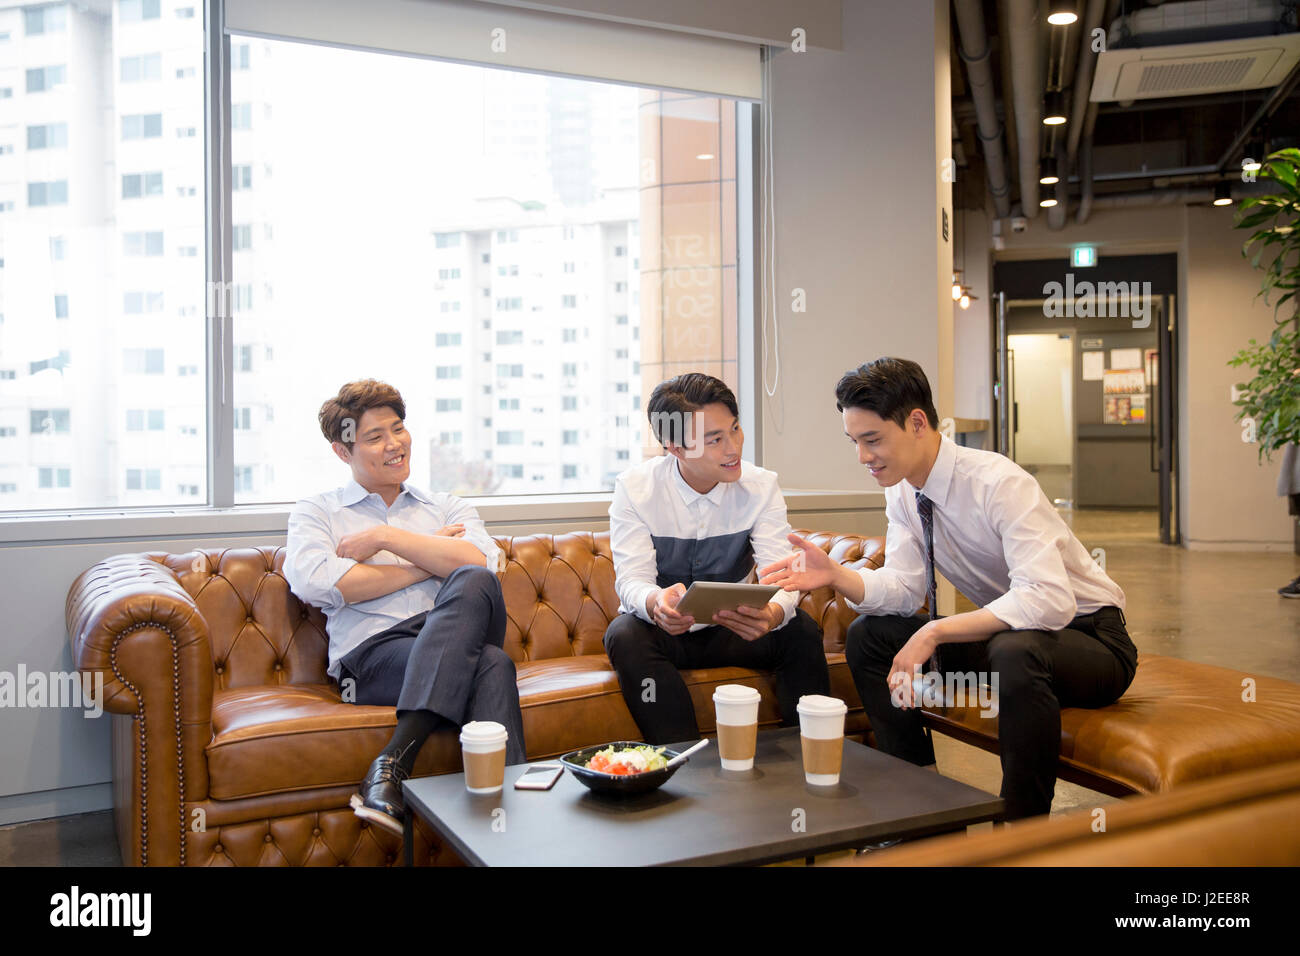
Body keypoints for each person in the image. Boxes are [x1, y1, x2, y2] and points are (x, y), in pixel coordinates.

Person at [760, 357, 1138, 821]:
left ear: (917, 422)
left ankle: (1024, 831)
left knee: (1015, 650)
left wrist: (934, 633)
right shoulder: (901, 491)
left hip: (1091, 643)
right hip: (1009, 639)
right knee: (870, 637)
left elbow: (1047, 599)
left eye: (872, 440)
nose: (862, 456)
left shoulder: (999, 483)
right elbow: (903, 587)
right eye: (854, 442)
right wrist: (838, 576)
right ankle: (921, 809)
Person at [284, 379, 524, 835]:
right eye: (375, 437)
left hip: (448, 630)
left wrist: (385, 538)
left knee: (472, 579)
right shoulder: (318, 512)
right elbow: (318, 583)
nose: (394, 444)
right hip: (373, 657)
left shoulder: (446, 506)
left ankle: (392, 763)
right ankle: (505, 828)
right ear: (342, 451)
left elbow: (481, 562)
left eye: (398, 429)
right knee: (492, 663)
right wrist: (429, 560)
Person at [603, 372, 830, 744]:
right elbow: (631, 579)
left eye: (736, 429)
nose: (733, 448)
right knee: (625, 634)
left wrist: (772, 614)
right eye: (715, 440)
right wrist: (656, 602)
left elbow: (781, 573)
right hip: (668, 633)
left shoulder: (761, 486)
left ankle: (810, 753)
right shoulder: (635, 489)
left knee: (799, 629)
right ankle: (683, 760)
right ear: (676, 449)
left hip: (734, 630)